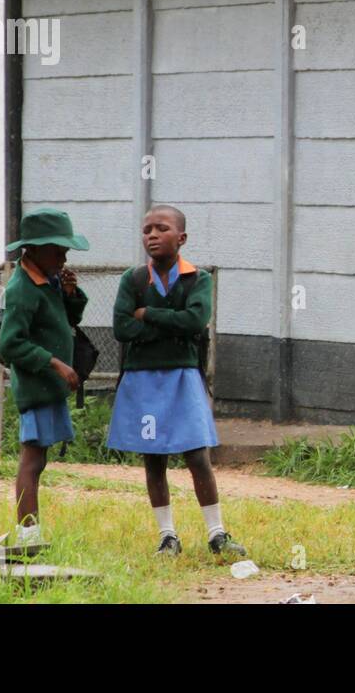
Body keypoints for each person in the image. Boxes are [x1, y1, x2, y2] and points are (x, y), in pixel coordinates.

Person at [110, 204, 246, 556]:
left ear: (181, 238)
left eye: (162, 228)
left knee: (197, 456)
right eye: (147, 229)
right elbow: (122, 328)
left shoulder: (196, 279)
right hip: (142, 382)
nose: (152, 235)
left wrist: (149, 315)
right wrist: (170, 324)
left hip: (183, 379)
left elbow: (195, 321)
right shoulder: (134, 279)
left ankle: (217, 533)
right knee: (153, 459)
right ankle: (167, 536)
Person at [0, 207, 89, 546]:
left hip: (50, 387)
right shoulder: (22, 288)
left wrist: (69, 294)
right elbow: (10, 344)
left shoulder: (48, 280)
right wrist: (55, 363)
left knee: (40, 459)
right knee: (32, 458)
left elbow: (70, 318)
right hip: (37, 387)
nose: (64, 257)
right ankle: (27, 535)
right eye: (58, 250)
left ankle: (31, 531)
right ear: (32, 249)